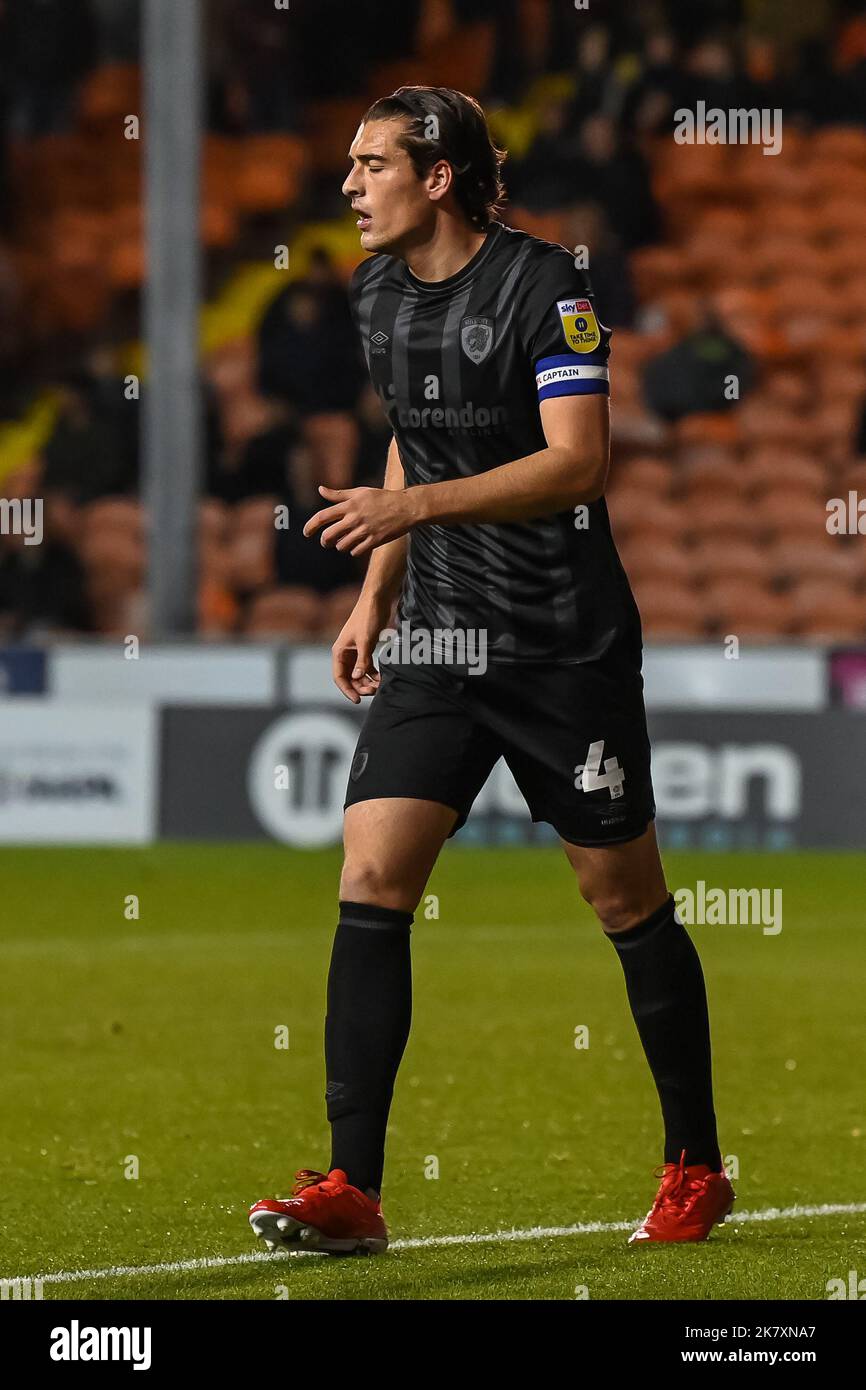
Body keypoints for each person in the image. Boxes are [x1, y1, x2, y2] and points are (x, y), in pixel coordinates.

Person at [248, 86, 733, 1256]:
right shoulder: (371, 291)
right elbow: (413, 428)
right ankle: (351, 1190)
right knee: (371, 875)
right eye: (349, 163)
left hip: (562, 644)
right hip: (440, 641)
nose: (349, 186)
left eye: (371, 165)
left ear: (437, 179)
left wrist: (406, 505)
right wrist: (379, 591)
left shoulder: (544, 288)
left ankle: (693, 1162)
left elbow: (577, 465)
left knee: (621, 899)